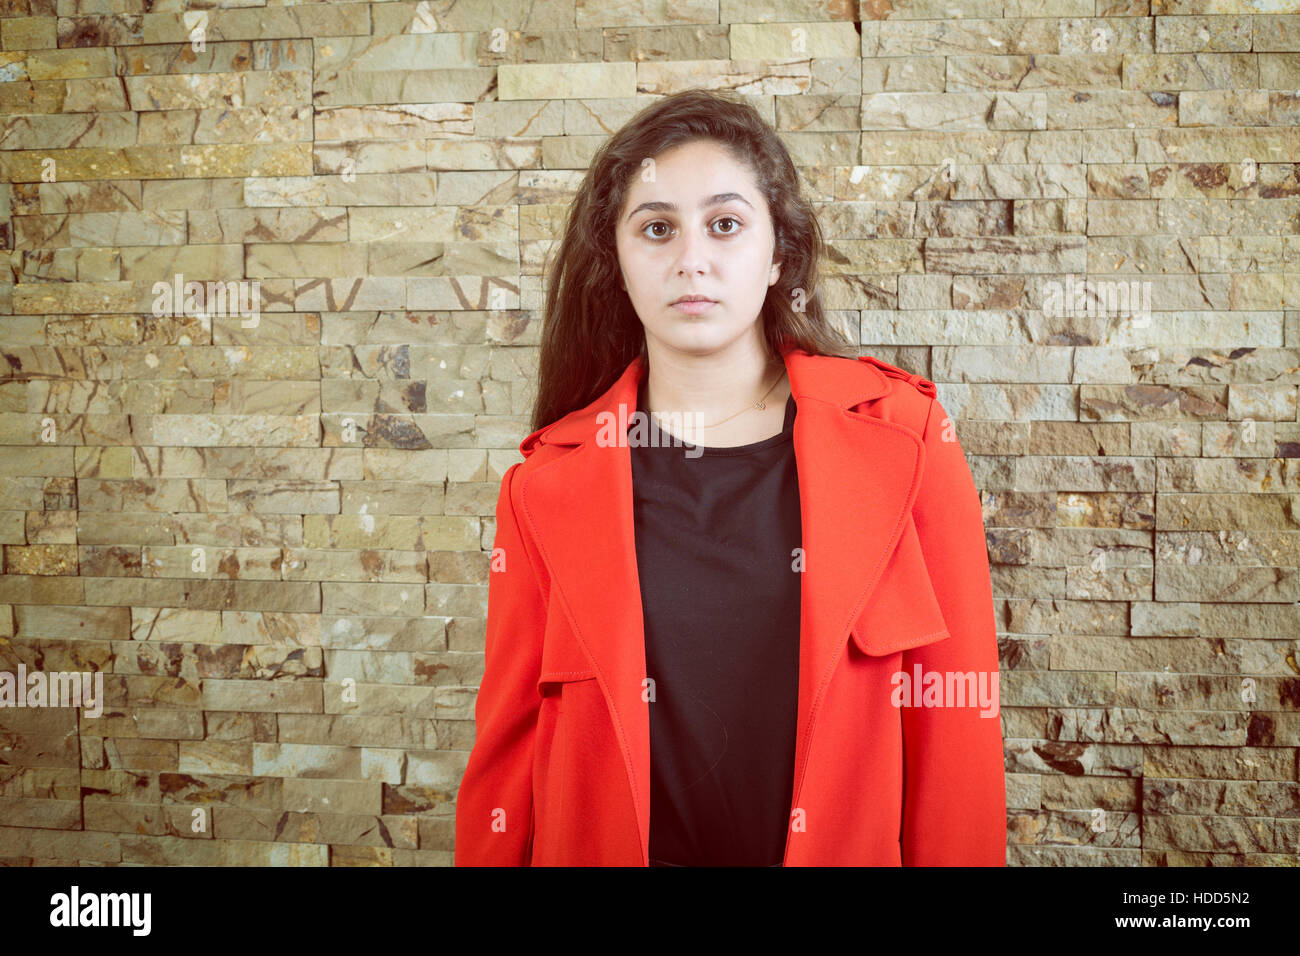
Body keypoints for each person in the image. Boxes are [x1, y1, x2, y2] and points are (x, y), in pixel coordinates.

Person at [454, 89, 1006, 866]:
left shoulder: (906, 439)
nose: (691, 260)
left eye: (725, 224)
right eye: (656, 228)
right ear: (614, 260)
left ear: (779, 253)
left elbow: (958, 744)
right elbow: (507, 761)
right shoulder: (544, 488)